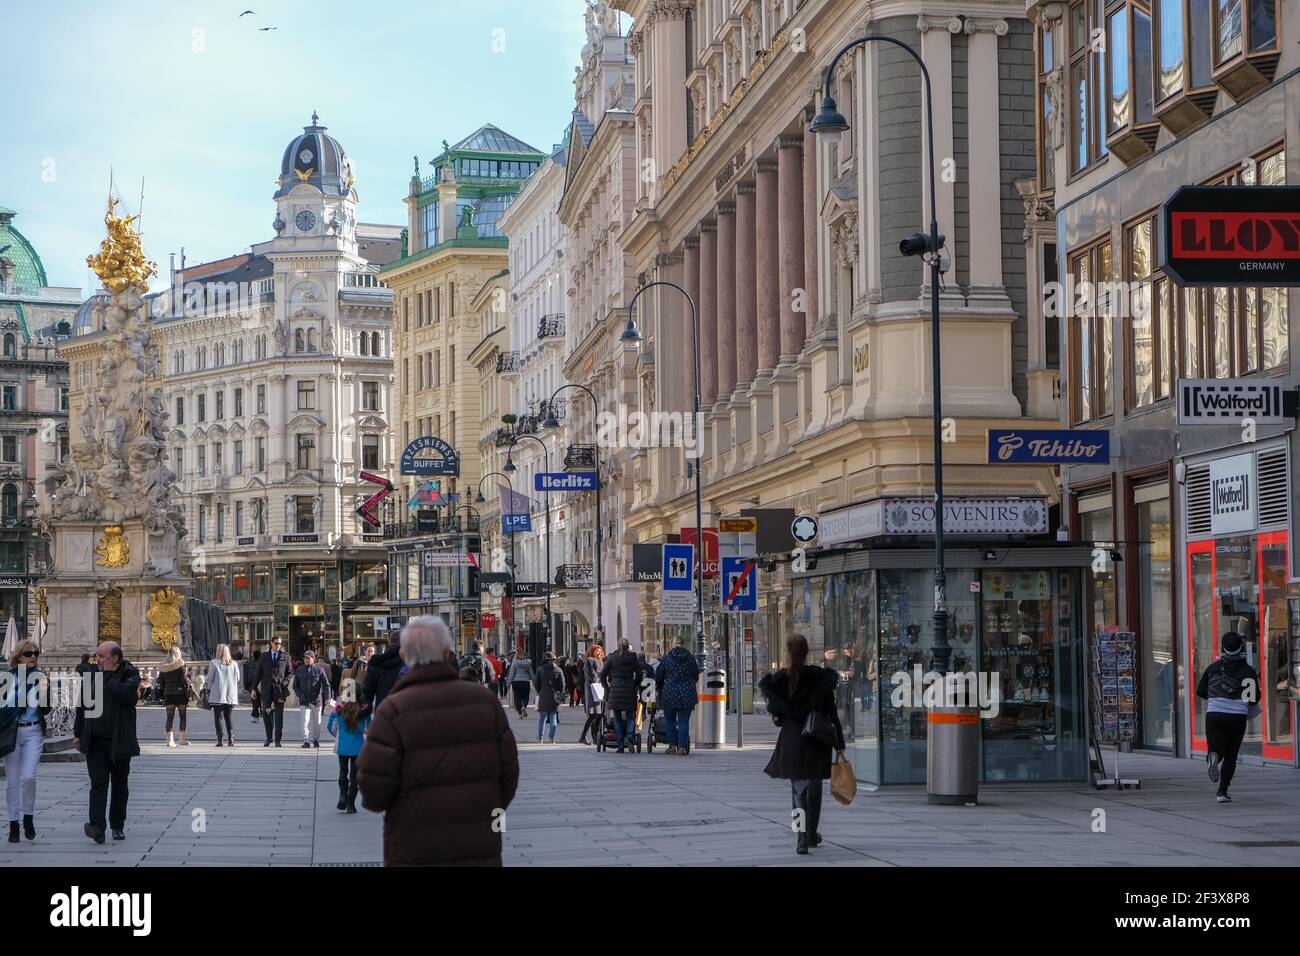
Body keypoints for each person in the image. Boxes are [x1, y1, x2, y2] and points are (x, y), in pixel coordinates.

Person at [357, 616, 520, 866]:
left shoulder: (392, 711)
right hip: (477, 843)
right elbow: (508, 773)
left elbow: (373, 789)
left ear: (404, 655)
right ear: (447, 653)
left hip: (414, 846)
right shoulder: (484, 702)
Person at [758, 634, 846, 855]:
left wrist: (783, 713)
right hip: (816, 738)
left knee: (798, 791)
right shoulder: (820, 679)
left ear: (788, 653)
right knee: (814, 788)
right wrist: (839, 743)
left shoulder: (779, 681)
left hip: (793, 739)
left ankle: (800, 838)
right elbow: (831, 712)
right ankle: (811, 833)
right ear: (807, 653)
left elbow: (777, 714)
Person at [73, 641, 141, 843]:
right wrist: (78, 733)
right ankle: (97, 827)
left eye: (101, 657)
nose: (97, 660)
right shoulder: (92, 675)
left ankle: (117, 826)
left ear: (114, 658)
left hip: (120, 740)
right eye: (97, 656)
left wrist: (109, 674)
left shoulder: (131, 674)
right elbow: (82, 706)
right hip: (95, 741)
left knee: (120, 786)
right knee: (98, 784)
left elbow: (125, 695)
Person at [1196, 631, 1262, 803]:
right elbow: (1255, 697)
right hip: (1237, 715)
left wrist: (1216, 696)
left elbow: (1200, 690)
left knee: (1216, 745)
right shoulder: (1248, 670)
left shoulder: (1213, 668)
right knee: (1232, 754)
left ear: (1222, 648)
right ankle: (1222, 792)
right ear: (1241, 648)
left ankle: (1214, 755)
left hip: (1215, 713)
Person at [3, 641, 49, 842]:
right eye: (28, 653)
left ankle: (28, 818)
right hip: (12, 732)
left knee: (29, 776)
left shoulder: (41, 678)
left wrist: (45, 692)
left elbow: (46, 710)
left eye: (36, 654)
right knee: (12, 781)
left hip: (33, 732)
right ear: (19, 656)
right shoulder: (7, 679)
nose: (33, 657)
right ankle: (14, 824)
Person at [655, 636, 701, 755]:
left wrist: (660, 686)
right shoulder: (690, 658)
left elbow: (659, 675)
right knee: (683, 722)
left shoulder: (667, 658)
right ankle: (682, 748)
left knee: (670, 721)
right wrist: (688, 684)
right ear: (684, 644)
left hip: (670, 693)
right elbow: (696, 675)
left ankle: (672, 746)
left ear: (673, 644)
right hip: (687, 694)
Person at [328, 699, 371, 813]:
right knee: (354, 777)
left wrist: (339, 735)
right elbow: (370, 729)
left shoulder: (338, 711)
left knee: (343, 771)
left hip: (342, 746)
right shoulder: (364, 712)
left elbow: (330, 727)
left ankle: (343, 795)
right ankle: (351, 803)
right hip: (358, 747)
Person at [600, 638, 643, 753]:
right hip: (629, 688)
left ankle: (620, 744)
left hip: (615, 689)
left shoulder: (612, 657)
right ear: (627, 645)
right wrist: (635, 684)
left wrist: (607, 687)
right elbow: (639, 674)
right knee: (630, 716)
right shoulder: (633, 656)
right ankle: (629, 736)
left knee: (617, 718)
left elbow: (602, 674)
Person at [254, 637, 292, 747]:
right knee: (266, 714)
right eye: (276, 643)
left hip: (280, 690)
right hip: (266, 690)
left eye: (280, 643)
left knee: (279, 716)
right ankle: (268, 737)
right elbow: (259, 673)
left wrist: (284, 683)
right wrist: (254, 688)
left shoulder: (285, 656)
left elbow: (289, 672)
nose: (278, 645)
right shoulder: (264, 656)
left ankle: (278, 740)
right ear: (271, 643)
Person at [293, 650, 332, 748]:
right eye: (305, 658)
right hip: (304, 700)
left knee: (317, 722)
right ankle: (306, 740)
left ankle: (315, 739)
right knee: (305, 721)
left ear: (313, 659)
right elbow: (295, 686)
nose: (306, 660)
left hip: (316, 700)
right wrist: (300, 695)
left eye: (308, 658)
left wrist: (327, 697)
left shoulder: (319, 670)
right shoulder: (299, 670)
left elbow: (326, 685)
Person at [156, 646, 193, 747]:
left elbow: (160, 682)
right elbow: (184, 681)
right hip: (180, 694)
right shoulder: (181, 665)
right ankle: (182, 739)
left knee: (169, 718)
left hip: (168, 694)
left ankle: (169, 740)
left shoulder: (163, 667)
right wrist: (188, 680)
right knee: (182, 717)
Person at [205, 643, 241, 747]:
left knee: (218, 718)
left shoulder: (214, 663)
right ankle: (231, 739)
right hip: (230, 695)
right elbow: (238, 678)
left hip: (218, 695)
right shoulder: (234, 663)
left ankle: (220, 740)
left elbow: (209, 678)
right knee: (229, 717)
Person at [361, 636, 403, 711]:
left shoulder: (376, 663)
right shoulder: (409, 663)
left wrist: (365, 711)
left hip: (382, 711)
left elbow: (367, 692)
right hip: (403, 713)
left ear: (389, 643)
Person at [533, 651, 565, 743]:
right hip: (554, 697)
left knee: (542, 717)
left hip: (543, 695)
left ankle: (541, 738)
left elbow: (536, 683)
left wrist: (540, 691)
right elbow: (562, 685)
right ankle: (552, 738)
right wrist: (559, 692)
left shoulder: (540, 669)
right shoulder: (558, 670)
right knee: (553, 717)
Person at [578, 642, 607, 745]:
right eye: (597, 650)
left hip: (599, 688)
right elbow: (591, 675)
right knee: (593, 714)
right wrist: (599, 678)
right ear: (592, 651)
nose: (599, 652)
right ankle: (583, 736)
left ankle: (595, 738)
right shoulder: (589, 661)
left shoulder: (601, 662)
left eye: (600, 650)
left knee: (599, 715)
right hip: (592, 689)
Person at [505, 650, 534, 718]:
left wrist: (508, 683)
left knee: (517, 697)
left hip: (516, 682)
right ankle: (523, 706)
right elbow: (531, 674)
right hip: (525, 682)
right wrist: (535, 682)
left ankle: (520, 714)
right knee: (526, 697)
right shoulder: (528, 663)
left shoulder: (514, 663)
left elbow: (512, 674)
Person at [245, 650, 262, 721]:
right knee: (261, 699)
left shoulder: (249, 664)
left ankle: (256, 716)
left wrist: (246, 686)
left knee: (254, 701)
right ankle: (261, 713)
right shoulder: (261, 665)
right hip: (260, 685)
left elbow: (246, 676)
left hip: (251, 685)